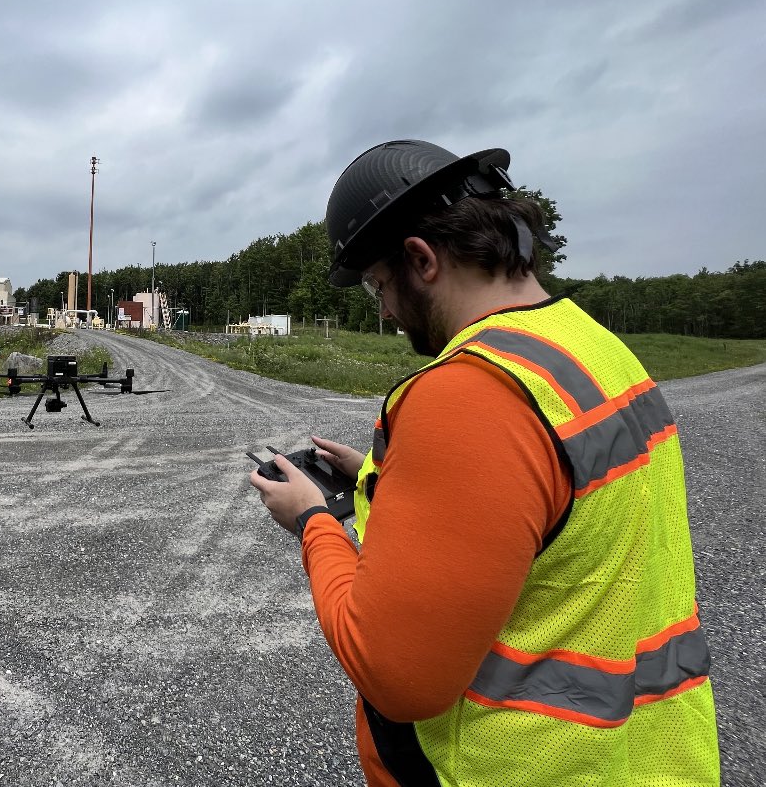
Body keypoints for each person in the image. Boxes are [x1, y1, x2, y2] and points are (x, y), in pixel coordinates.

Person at [250, 140, 719, 786]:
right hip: (654, 756)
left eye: (380, 286)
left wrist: (312, 522)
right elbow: (548, 503)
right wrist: (398, 478)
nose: (384, 310)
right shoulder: (596, 349)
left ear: (422, 259)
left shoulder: (470, 391)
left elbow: (392, 671)